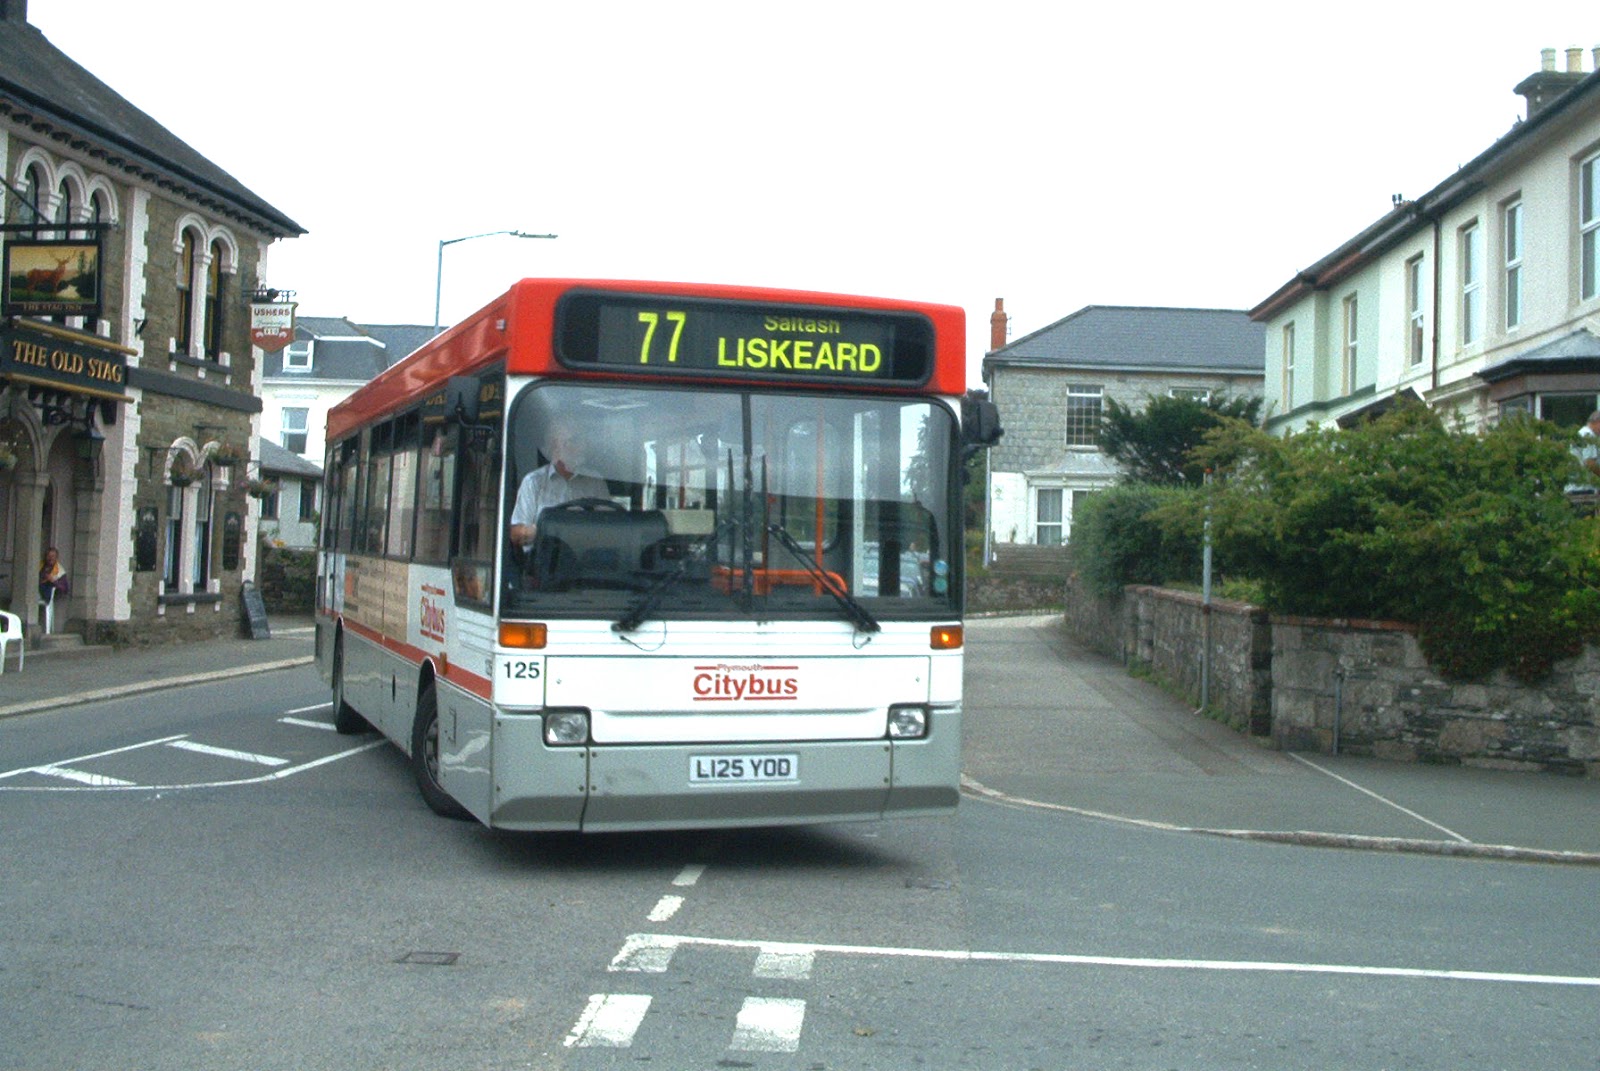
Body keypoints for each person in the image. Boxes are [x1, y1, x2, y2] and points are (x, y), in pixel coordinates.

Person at [507, 424, 609, 549]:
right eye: (574, 441)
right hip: (544, 563)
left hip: (588, 561)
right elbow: (516, 533)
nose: (583, 447)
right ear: (556, 447)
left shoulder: (594, 481)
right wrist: (546, 530)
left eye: (583, 441)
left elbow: (609, 527)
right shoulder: (534, 482)